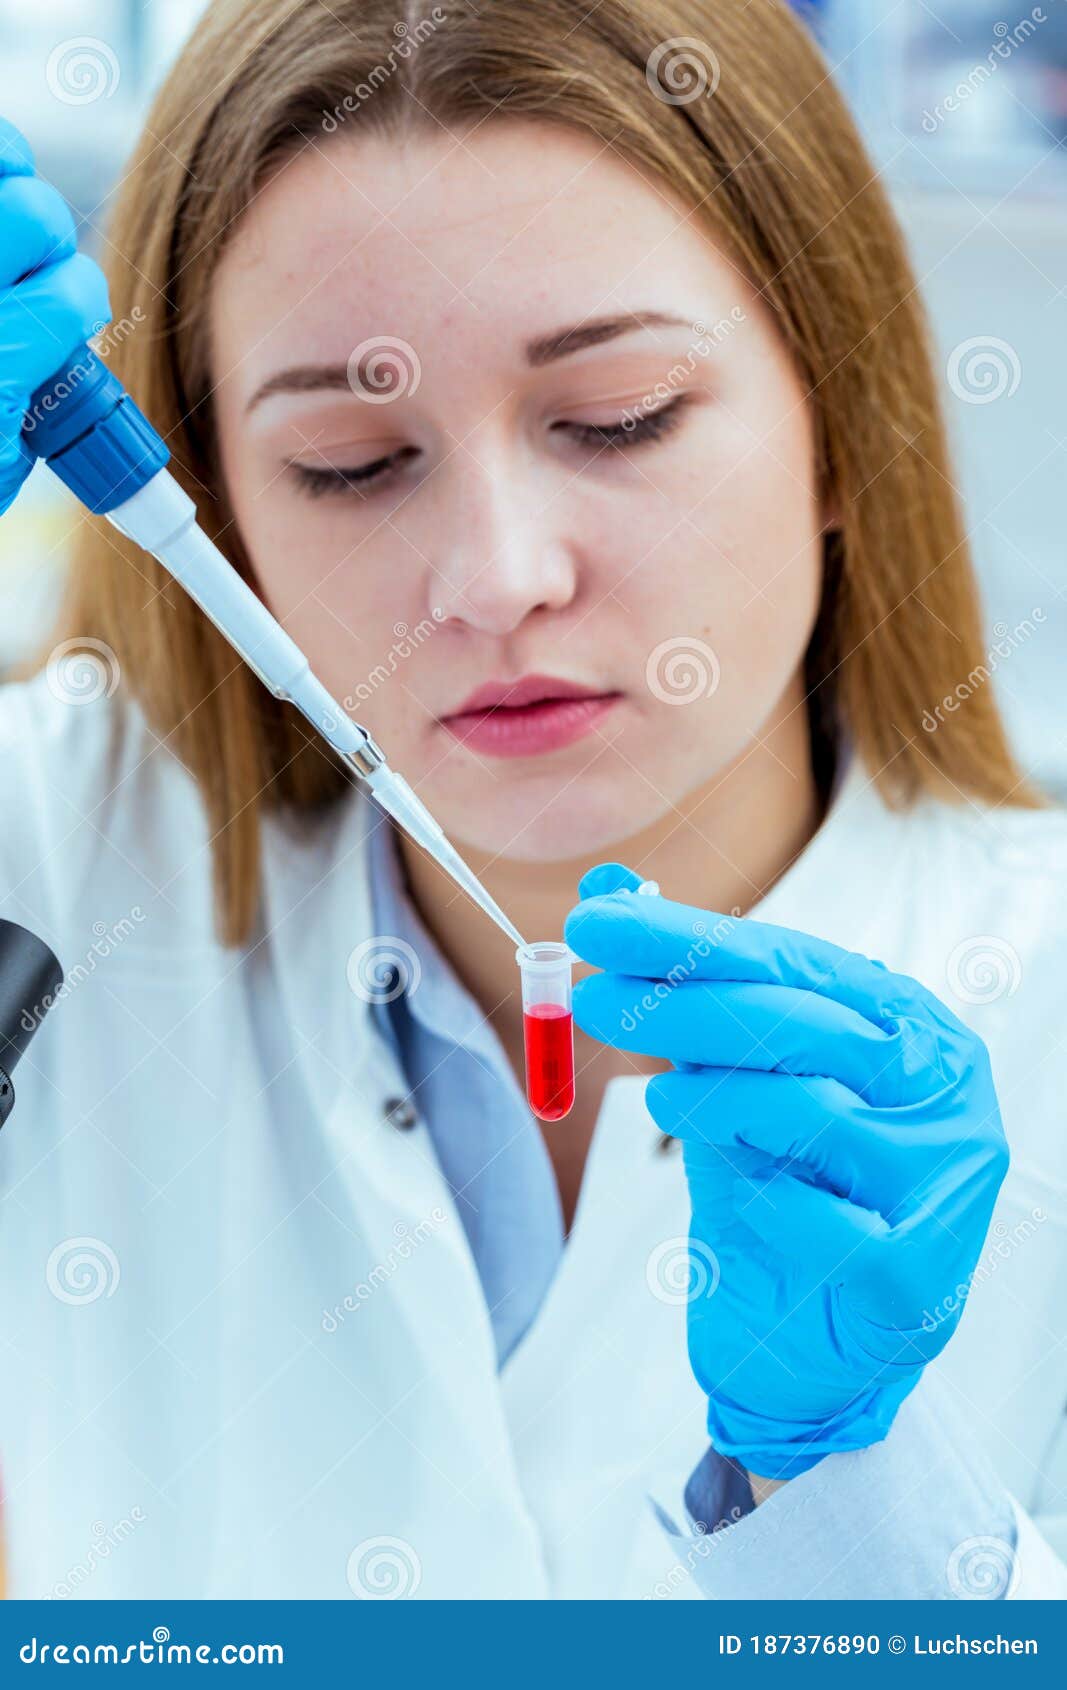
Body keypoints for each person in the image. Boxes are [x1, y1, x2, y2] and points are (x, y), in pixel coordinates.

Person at [1, 0, 1064, 1601]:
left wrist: (849, 1504)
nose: (497, 581)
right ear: (208, 497)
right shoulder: (60, 858)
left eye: (617, 417)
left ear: (842, 422)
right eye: (352, 461)